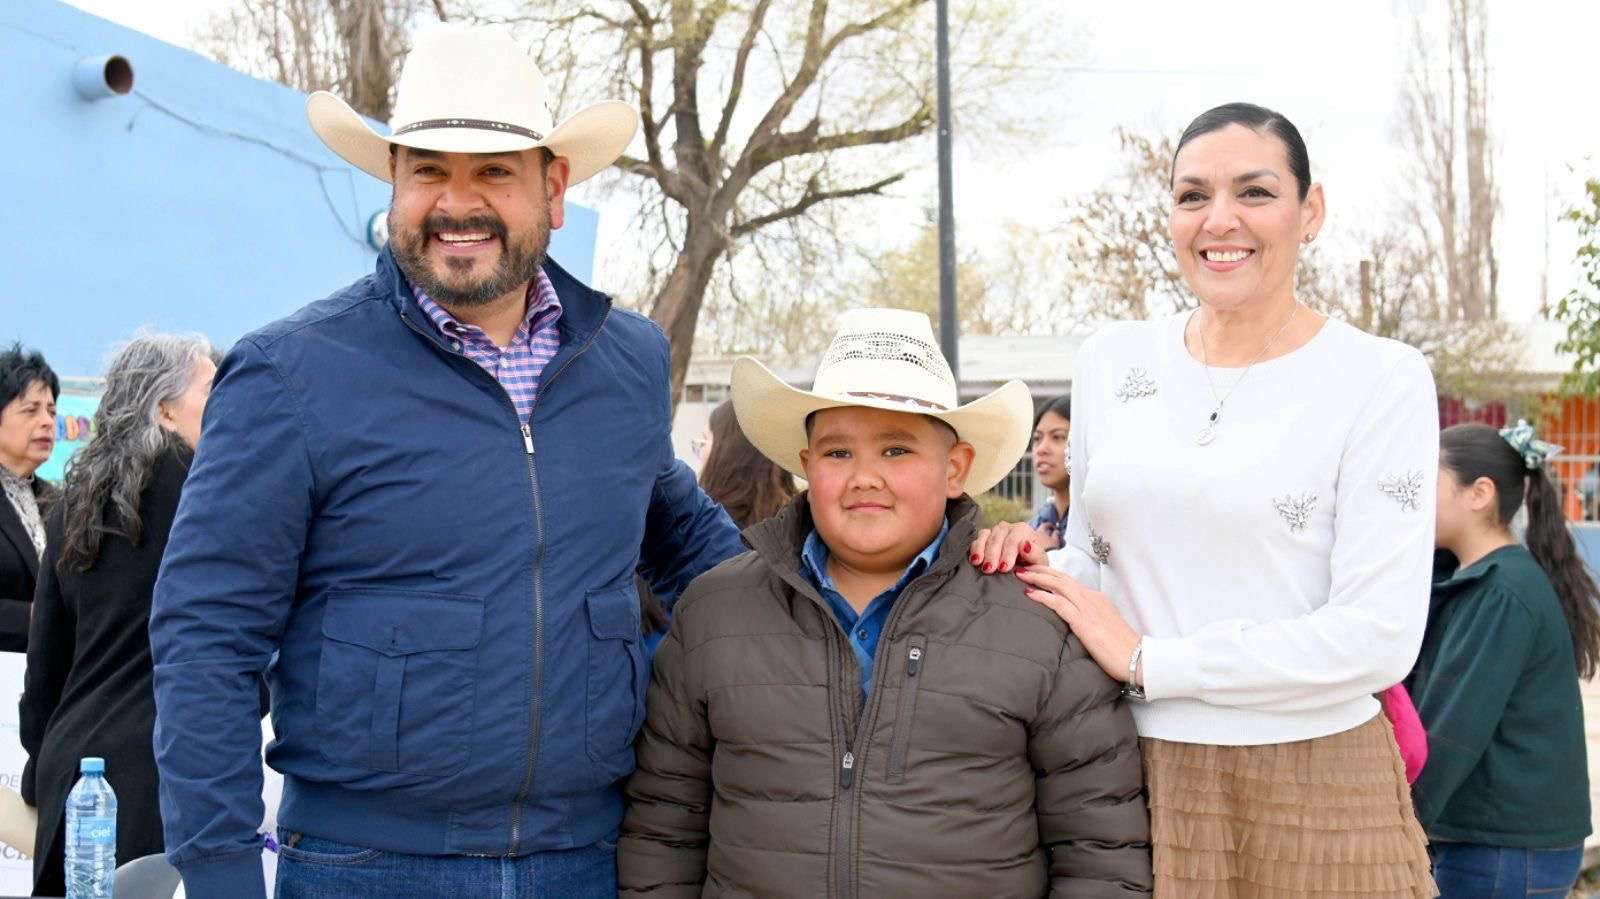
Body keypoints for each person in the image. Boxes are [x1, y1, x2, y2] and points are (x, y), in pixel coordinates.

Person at [148, 26, 743, 899]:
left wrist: (889, 594)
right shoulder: (291, 371)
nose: (456, 202)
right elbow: (206, 637)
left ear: (556, 188)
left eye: (494, 171)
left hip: (589, 860)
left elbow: (689, 542)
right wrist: (221, 871)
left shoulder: (630, 362)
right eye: (429, 169)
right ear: (394, 182)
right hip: (363, 867)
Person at [971, 102, 1438, 896]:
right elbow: (1099, 558)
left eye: (1254, 192)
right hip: (1126, 773)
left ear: (1310, 210)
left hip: (1318, 786)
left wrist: (1159, 662)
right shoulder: (1111, 360)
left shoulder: (1381, 377)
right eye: (1193, 196)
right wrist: (1036, 558)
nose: (1220, 219)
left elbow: (1379, 635)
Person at [619, 309, 1152, 897]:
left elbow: (1100, 848)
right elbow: (664, 828)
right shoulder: (714, 614)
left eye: (896, 451)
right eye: (838, 453)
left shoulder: (1036, 623)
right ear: (805, 468)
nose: (864, 476)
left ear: (955, 469)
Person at [20, 334, 215, 897]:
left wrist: (42, 762)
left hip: (75, 769)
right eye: (209, 390)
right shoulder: (203, 490)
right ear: (164, 408)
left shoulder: (74, 500)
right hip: (161, 766)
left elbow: (45, 662)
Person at [1408, 421, 1597, 896]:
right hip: (1489, 845)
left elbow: (1452, 731)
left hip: (1504, 850)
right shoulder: (1471, 579)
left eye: (1427, 482)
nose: (1411, 499)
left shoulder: (1503, 592)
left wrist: (1396, 827)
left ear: (1479, 494)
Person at [0, 344, 59, 653]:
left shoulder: (61, 502)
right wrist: (37, 617)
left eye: (51, 410)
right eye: (31, 410)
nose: (48, 422)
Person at [696, 399, 797, 530]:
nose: (700, 452)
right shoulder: (797, 525)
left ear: (728, 452)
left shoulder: (708, 530)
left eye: (704, 441)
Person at [1027, 395, 1071, 548]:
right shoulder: (1036, 525)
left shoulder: (1098, 525)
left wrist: (1049, 557)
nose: (1041, 449)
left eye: (1058, 437)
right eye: (1037, 439)